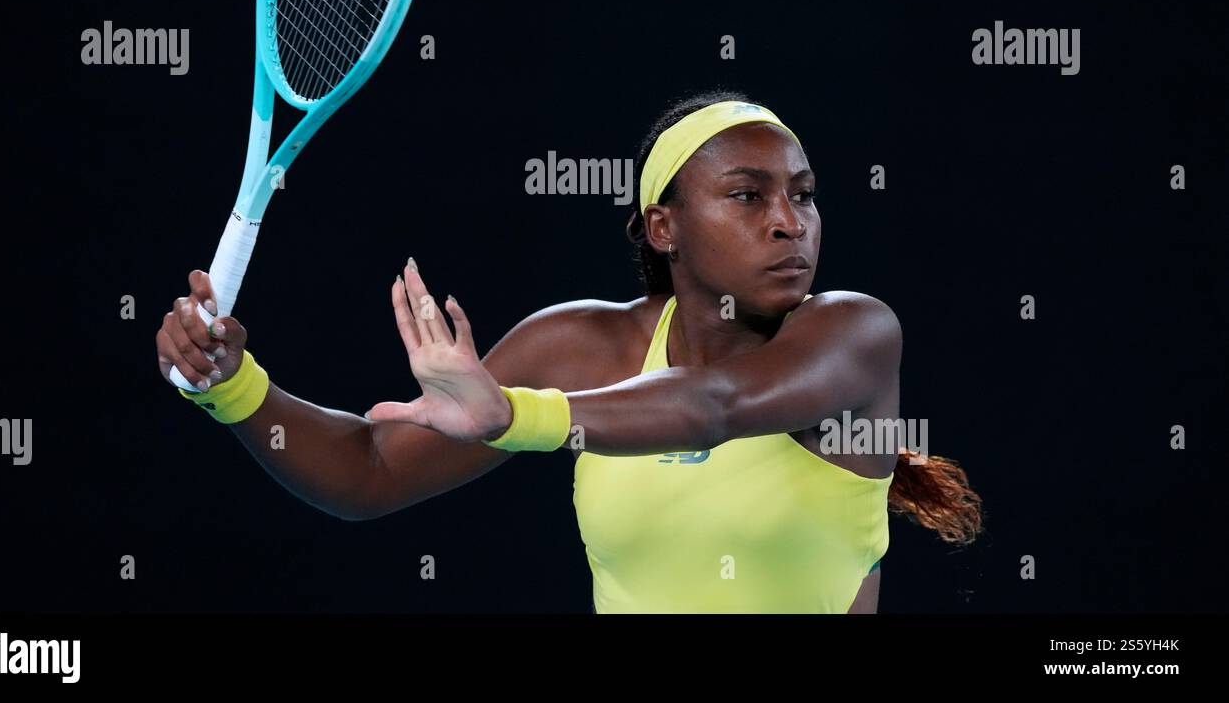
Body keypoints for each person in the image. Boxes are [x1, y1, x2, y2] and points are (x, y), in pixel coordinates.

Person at [155, 89, 983, 612]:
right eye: (747, 195)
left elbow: (714, 404)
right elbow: (368, 473)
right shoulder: (581, 347)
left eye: (803, 196)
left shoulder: (856, 334)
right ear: (664, 227)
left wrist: (514, 415)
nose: (787, 222)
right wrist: (231, 384)